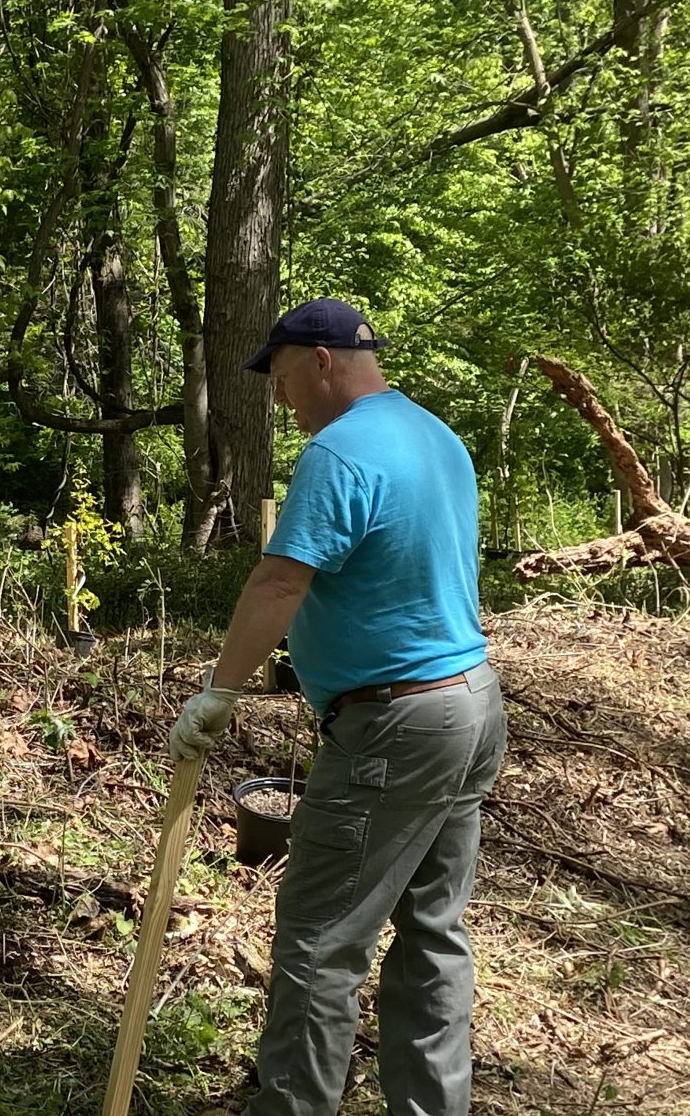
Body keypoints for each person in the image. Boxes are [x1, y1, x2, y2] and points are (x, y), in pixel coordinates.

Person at [169, 298, 507, 1116]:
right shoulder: (434, 434)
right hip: (471, 708)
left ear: (321, 362)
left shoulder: (341, 451)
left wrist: (221, 691)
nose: (281, 403)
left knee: (320, 945)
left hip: (398, 727)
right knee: (434, 934)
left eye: (283, 380)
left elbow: (281, 580)